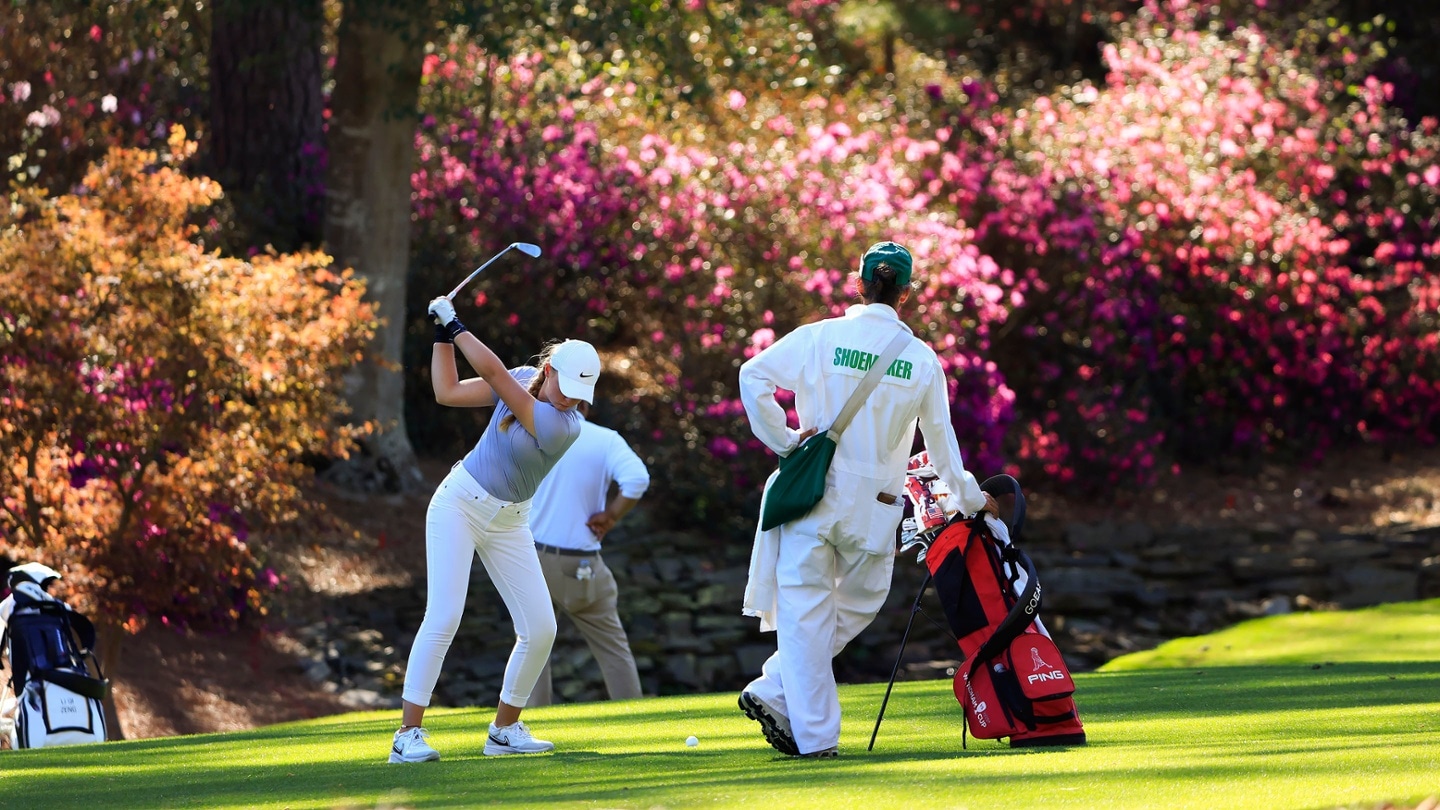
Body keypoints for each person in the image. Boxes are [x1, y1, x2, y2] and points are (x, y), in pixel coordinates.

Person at [736, 240, 999, 759]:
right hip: (875, 504)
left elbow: (752, 375)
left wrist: (787, 440)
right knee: (859, 604)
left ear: (859, 285)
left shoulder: (820, 337)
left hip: (812, 492)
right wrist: (970, 499)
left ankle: (779, 691)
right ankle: (808, 730)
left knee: (806, 612)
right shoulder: (922, 359)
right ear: (905, 293)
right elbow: (942, 447)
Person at [388, 295, 601, 763]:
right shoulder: (525, 382)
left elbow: (497, 376)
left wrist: (456, 322)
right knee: (443, 616)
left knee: (541, 628)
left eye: (579, 394)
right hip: (459, 505)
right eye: (565, 386)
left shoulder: (565, 426)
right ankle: (407, 736)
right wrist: (442, 337)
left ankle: (504, 731)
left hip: (510, 522)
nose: (571, 399)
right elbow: (446, 391)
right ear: (549, 370)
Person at [528, 402, 650, 706]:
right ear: (585, 403)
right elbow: (637, 480)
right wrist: (610, 516)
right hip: (581, 562)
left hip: (533, 559)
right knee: (613, 649)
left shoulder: (532, 434)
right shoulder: (605, 439)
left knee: (532, 645)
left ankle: (527, 727)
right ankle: (634, 722)